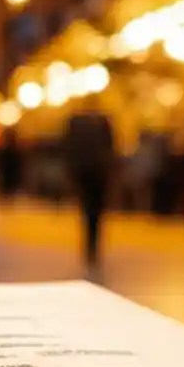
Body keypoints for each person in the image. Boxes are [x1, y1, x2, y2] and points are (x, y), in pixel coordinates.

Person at [63, 101, 116, 269]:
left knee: (87, 209)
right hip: (98, 172)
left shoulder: (75, 123)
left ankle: (89, 246)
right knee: (95, 210)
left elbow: (67, 147)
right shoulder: (103, 122)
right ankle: (92, 246)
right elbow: (111, 147)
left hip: (84, 171)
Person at [0, 128, 25, 203]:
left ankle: (8, 200)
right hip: (7, 174)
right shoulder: (13, 151)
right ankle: (8, 200)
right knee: (8, 189)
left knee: (8, 189)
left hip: (8, 174)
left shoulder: (7, 151)